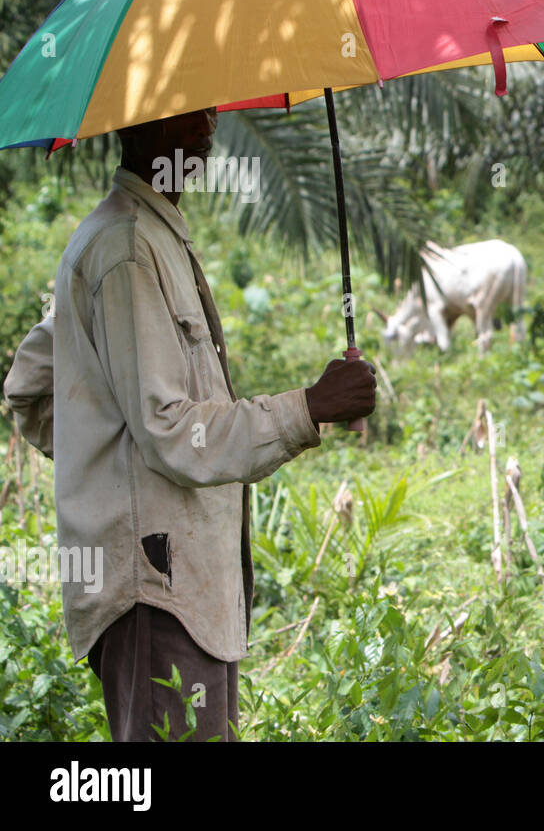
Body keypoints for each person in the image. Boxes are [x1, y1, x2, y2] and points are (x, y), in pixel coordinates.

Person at [2, 107, 376, 741]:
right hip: (157, 589)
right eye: (188, 116)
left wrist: (104, 459)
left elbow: (32, 382)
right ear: (140, 124)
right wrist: (309, 406)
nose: (207, 130)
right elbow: (172, 431)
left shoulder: (146, 237)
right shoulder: (124, 250)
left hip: (179, 584)